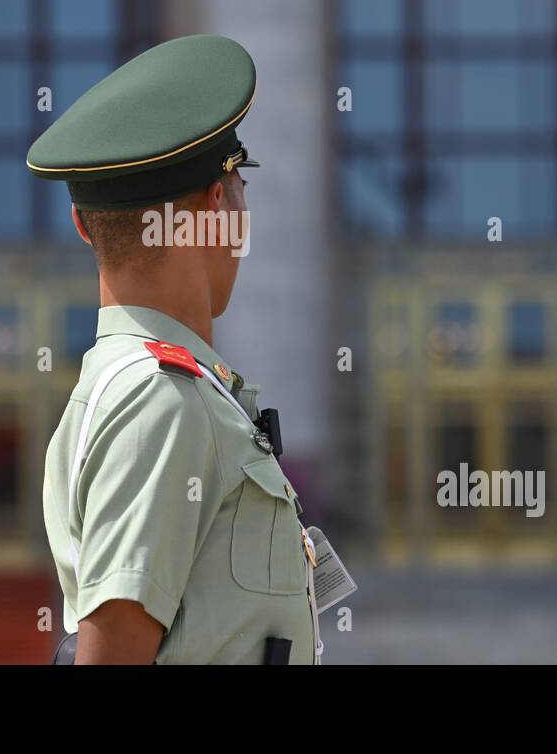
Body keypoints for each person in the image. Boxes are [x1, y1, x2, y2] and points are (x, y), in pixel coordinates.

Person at [28, 34, 329, 665]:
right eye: (240, 186)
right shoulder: (157, 402)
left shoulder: (159, 389)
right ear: (217, 205)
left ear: (83, 225)